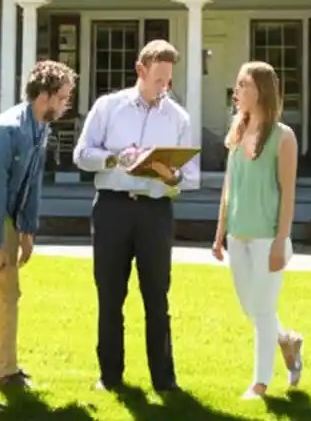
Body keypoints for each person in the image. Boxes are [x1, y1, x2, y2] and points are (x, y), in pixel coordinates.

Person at [73, 39, 200, 393]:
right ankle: (110, 377)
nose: (164, 87)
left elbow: (191, 177)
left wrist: (170, 175)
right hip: (112, 209)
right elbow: (81, 154)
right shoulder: (108, 107)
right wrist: (114, 159)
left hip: (155, 213)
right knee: (110, 296)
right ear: (140, 71)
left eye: (168, 80)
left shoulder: (179, 118)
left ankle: (164, 380)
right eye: (158, 79)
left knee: (157, 297)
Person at [0, 59, 77, 409]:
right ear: (44, 96)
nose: (66, 105)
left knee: (8, 292)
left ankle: (7, 371)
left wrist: (27, 231)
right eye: (63, 97)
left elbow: (31, 184)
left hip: (2, 215)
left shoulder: (40, 128)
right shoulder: (6, 130)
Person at [212, 60, 304, 400]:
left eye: (243, 85)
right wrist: (220, 232)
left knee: (263, 310)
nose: (236, 91)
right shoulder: (237, 132)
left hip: (268, 237)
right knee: (250, 307)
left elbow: (288, 193)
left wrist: (281, 240)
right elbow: (229, 185)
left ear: (261, 91)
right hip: (237, 234)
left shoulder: (283, 137)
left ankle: (260, 383)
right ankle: (287, 340)